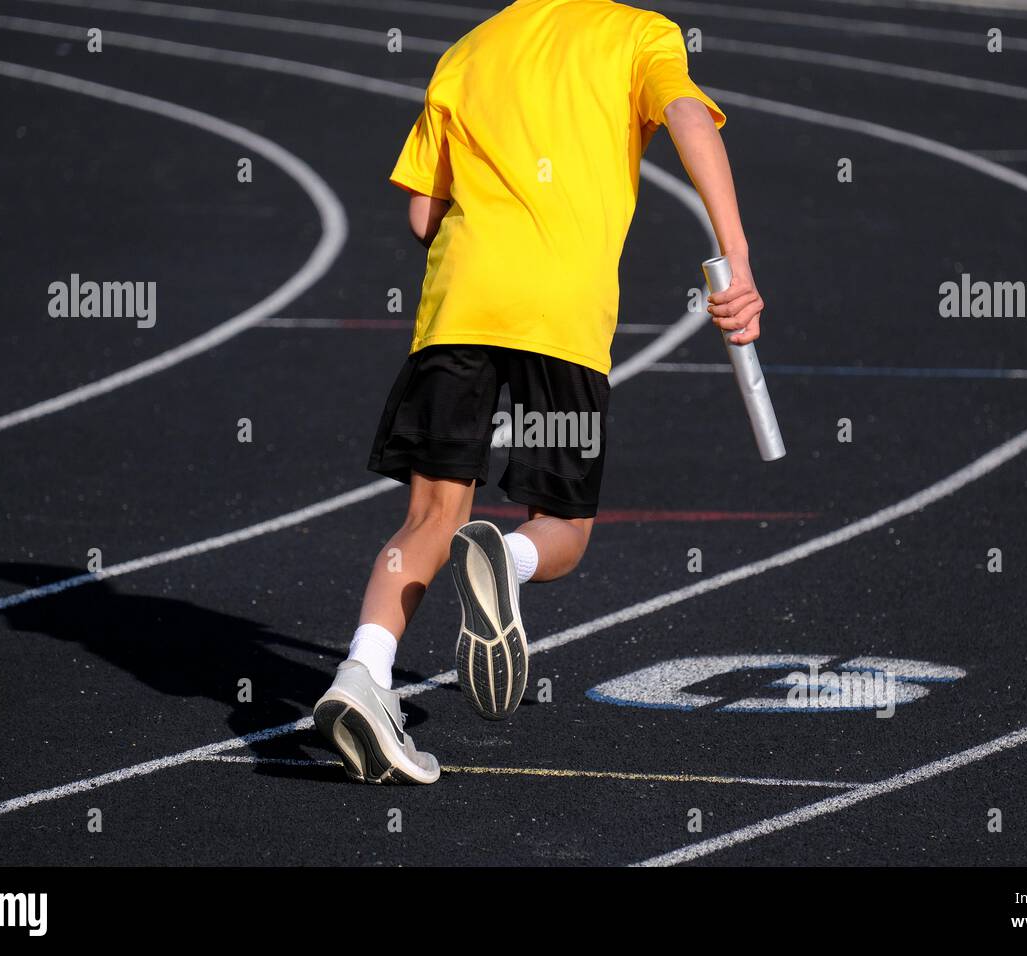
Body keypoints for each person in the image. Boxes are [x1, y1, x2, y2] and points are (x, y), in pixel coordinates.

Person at [313, 0, 764, 784]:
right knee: (564, 524)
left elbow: (424, 213)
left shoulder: (470, 48)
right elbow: (691, 118)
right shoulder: (639, 34)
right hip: (559, 315)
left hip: (460, 306)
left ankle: (363, 672)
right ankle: (509, 559)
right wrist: (738, 254)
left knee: (428, 516)